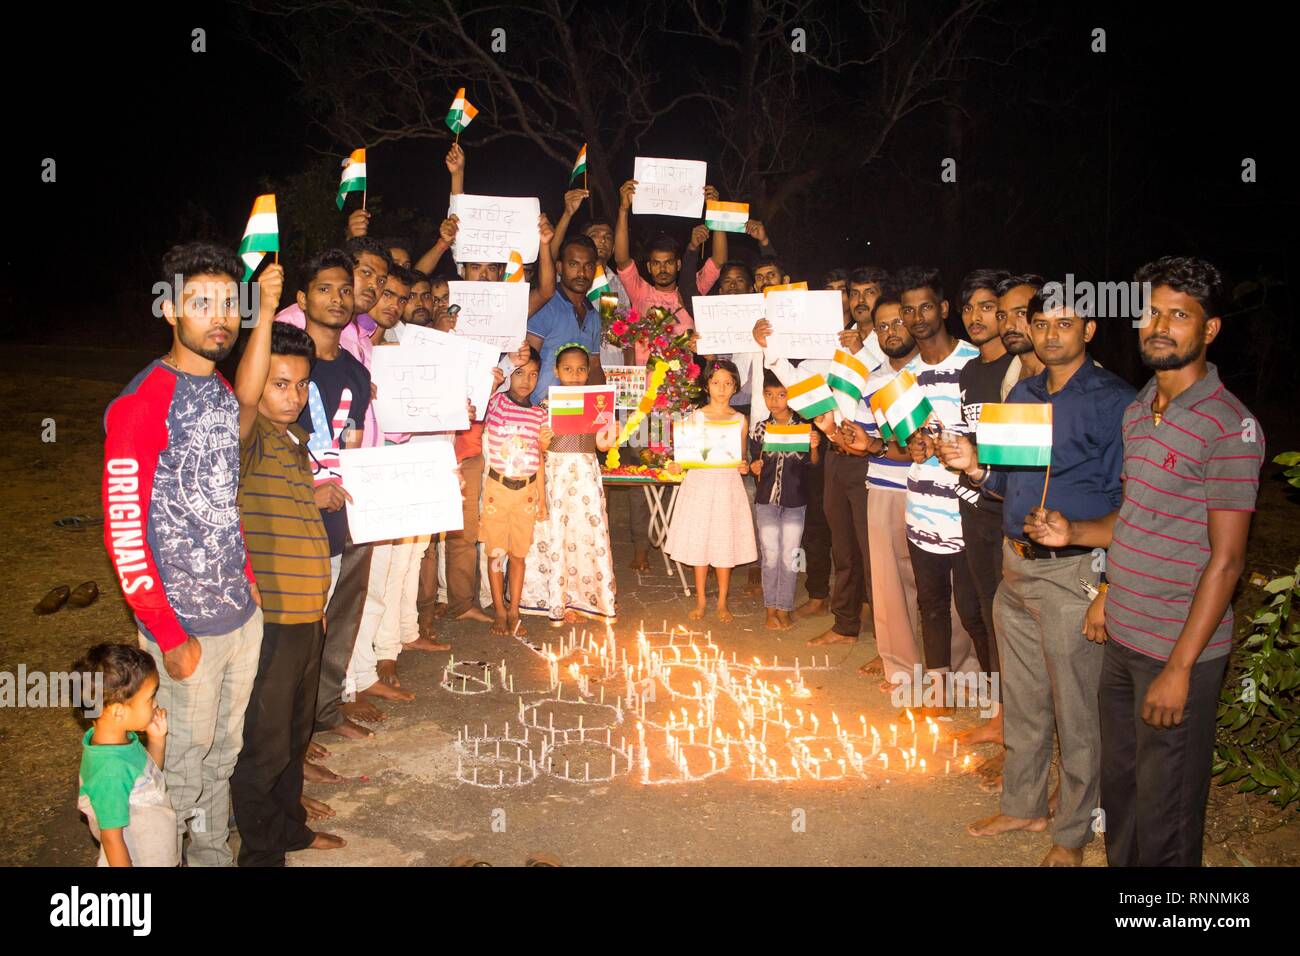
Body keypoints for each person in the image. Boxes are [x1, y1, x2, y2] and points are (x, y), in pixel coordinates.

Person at [1026, 256, 1264, 867]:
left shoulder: (1229, 426)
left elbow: (1228, 561)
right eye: (1152, 312)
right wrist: (1074, 534)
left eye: (1179, 315)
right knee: (1124, 799)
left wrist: (1181, 667)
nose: (1160, 325)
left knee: (1167, 818)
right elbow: (1132, 518)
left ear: (1208, 331)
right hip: (1123, 638)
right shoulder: (1138, 411)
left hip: (1177, 647)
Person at [945, 289, 1134, 867]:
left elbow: (1131, 504)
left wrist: (1109, 587)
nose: (1051, 334)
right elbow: (1007, 483)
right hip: (1016, 565)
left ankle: (1073, 832)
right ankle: (1023, 803)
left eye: (1066, 323)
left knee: (1077, 711)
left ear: (1090, 329)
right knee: (1024, 700)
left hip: (1073, 574)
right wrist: (975, 467)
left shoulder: (1113, 402)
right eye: (1042, 322)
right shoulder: (1022, 394)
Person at [103, 241, 262, 866]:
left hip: (239, 616)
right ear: (169, 309)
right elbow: (124, 532)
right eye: (201, 303)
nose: (219, 315)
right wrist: (167, 634)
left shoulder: (220, 390)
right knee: (181, 770)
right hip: (184, 628)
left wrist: (247, 583)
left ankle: (212, 854)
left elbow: (223, 496)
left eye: (229, 302)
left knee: (225, 754)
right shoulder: (142, 402)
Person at [229, 273, 345, 865]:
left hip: (309, 615)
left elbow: (293, 503)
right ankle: (261, 849)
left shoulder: (296, 440)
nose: (293, 395)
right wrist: (267, 308)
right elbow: (245, 400)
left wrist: (319, 496)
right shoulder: (244, 435)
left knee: (296, 733)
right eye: (280, 383)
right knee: (267, 742)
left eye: (301, 385)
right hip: (273, 619)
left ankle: (290, 825)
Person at [282, 250, 375, 741]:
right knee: (296, 635)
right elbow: (266, 446)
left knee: (339, 620)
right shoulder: (285, 364)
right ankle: (292, 738)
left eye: (344, 289)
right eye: (324, 289)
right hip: (295, 520)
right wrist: (307, 489)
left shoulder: (357, 373)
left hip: (345, 515)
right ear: (302, 298)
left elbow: (352, 445)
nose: (337, 298)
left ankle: (325, 714)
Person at [894, 266, 989, 710]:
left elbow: (991, 439)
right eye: (908, 310)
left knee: (975, 612)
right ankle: (937, 691)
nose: (916, 317)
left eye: (925, 306)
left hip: (969, 509)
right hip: (922, 511)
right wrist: (911, 444)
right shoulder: (905, 375)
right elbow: (902, 442)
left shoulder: (976, 362)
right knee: (930, 604)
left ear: (944, 308)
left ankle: (999, 701)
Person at [835, 298, 922, 690]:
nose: (890, 331)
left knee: (933, 587)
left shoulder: (934, 370)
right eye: (883, 326)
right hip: (884, 488)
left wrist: (874, 444)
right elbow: (865, 439)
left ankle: (947, 667)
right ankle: (900, 667)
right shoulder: (871, 380)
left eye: (897, 322)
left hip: (933, 493)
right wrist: (838, 431)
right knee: (889, 587)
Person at [953, 269, 1013, 746]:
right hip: (972, 501)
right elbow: (970, 436)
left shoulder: (1018, 370)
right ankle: (998, 708)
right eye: (969, 308)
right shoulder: (971, 370)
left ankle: (1008, 719)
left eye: (987, 307)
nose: (976, 316)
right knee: (974, 608)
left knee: (1001, 613)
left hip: (1007, 506)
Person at [520, 344, 620, 624]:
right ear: (556, 371)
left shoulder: (597, 402)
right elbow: (538, 449)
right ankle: (556, 599)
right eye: (567, 369)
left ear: (588, 371)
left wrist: (611, 434)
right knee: (556, 535)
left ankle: (583, 598)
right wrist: (541, 442)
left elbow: (601, 444)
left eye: (580, 369)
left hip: (585, 477)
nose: (574, 375)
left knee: (585, 535)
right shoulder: (546, 405)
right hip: (556, 477)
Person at [664, 360, 758, 622]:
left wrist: (744, 465)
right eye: (716, 382)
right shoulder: (695, 416)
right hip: (700, 485)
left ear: (736, 387)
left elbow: (740, 456)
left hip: (727, 485)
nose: (722, 388)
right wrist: (676, 464)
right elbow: (685, 455)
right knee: (700, 541)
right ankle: (702, 600)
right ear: (706, 385)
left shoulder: (740, 419)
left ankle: (722, 602)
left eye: (728, 383)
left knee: (723, 540)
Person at [74, 643, 177, 867]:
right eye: (150, 698)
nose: (156, 703)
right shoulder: (110, 771)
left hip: (156, 851)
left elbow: (147, 781)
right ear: (119, 711)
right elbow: (112, 840)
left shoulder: (121, 741)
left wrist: (157, 741)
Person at [481, 348, 551, 636]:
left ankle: (514, 610)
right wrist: (494, 381)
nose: (527, 380)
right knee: (497, 553)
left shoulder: (540, 415)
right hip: (497, 490)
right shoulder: (495, 403)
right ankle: (499, 610)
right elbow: (477, 401)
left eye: (533, 374)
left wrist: (542, 499)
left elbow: (540, 459)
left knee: (519, 555)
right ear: (510, 373)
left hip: (526, 493)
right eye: (520, 373)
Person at [749, 371, 820, 630]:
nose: (775, 401)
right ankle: (770, 610)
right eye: (769, 395)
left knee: (790, 555)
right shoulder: (760, 428)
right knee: (770, 555)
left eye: (781, 395)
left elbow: (813, 467)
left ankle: (784, 607)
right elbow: (754, 462)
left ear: (791, 397)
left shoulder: (805, 429)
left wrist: (813, 447)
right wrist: (755, 466)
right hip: (766, 500)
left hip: (795, 502)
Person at [527, 234, 605, 403]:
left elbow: (595, 367)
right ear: (560, 267)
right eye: (573, 264)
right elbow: (527, 360)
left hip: (574, 413)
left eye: (588, 266)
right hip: (538, 413)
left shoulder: (593, 316)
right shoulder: (545, 306)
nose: (582, 273)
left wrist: (601, 409)